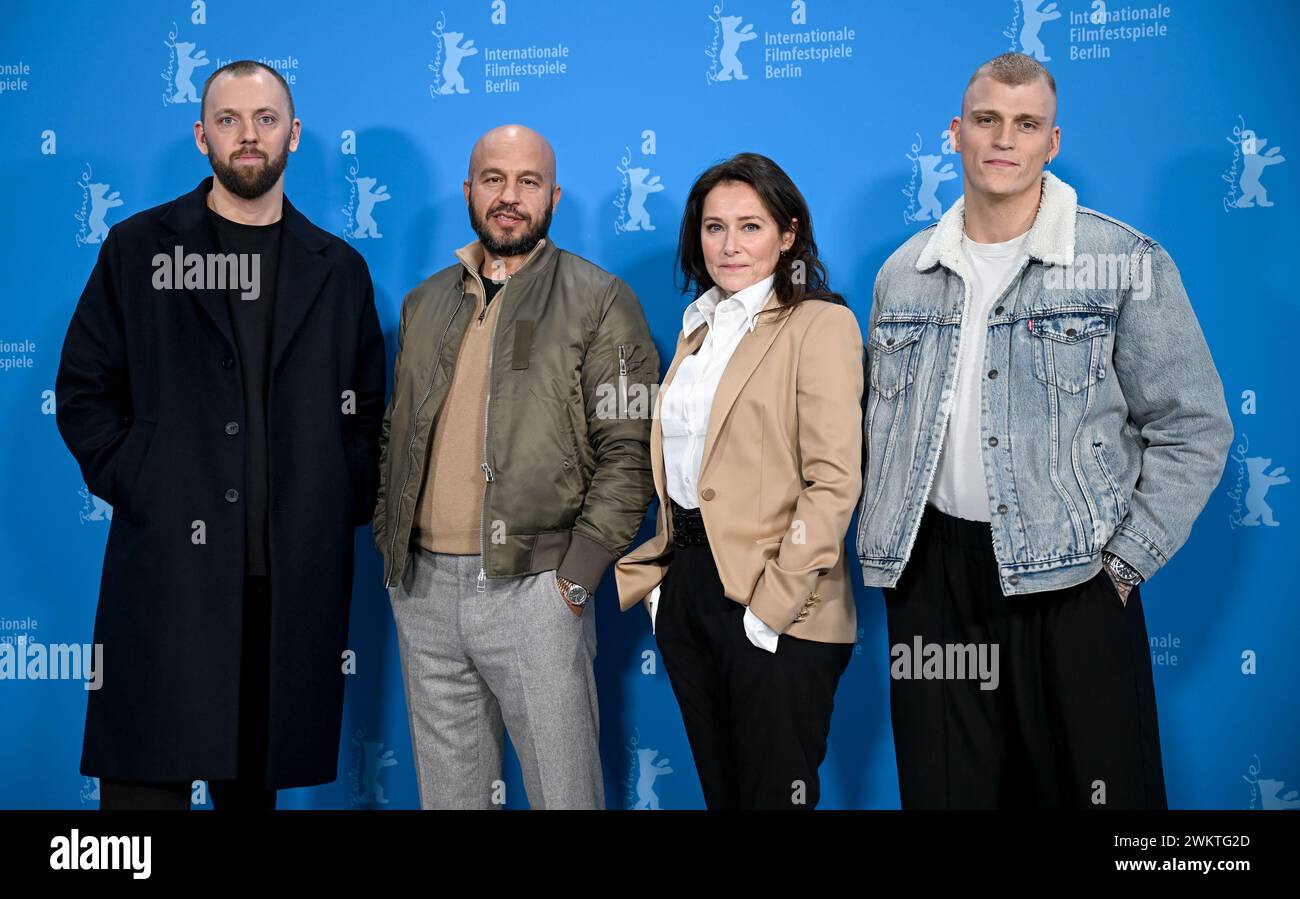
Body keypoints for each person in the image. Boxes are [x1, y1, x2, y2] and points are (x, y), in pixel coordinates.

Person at [856, 53, 1233, 808]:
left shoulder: (1122, 262)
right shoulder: (903, 273)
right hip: (934, 583)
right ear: (955, 134)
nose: (1005, 139)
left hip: (1071, 580)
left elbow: (1195, 426)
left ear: (1051, 143)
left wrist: (1122, 566)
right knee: (946, 790)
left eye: (1026, 124)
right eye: (988, 121)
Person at [56, 60, 386, 810]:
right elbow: (82, 391)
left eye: (266, 119)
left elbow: (370, 413)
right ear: (201, 133)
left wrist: (339, 491)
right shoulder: (137, 249)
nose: (248, 136)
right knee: (138, 817)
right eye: (229, 119)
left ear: (293, 135)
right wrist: (141, 477)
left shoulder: (340, 270)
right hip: (165, 588)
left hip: (282, 599)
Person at [373, 124, 659, 809]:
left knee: (566, 795)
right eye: (494, 179)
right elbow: (396, 434)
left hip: (536, 590)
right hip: (423, 591)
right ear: (469, 191)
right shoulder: (425, 301)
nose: (510, 196)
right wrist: (396, 546)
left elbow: (631, 450)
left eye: (528, 182)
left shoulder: (600, 298)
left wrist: (575, 578)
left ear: (553, 196)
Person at [615, 153, 863, 809]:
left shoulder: (820, 324)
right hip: (689, 585)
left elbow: (834, 480)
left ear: (788, 233)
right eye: (714, 226)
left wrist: (771, 606)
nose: (729, 244)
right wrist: (665, 590)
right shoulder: (697, 328)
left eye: (750, 227)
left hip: (778, 597)